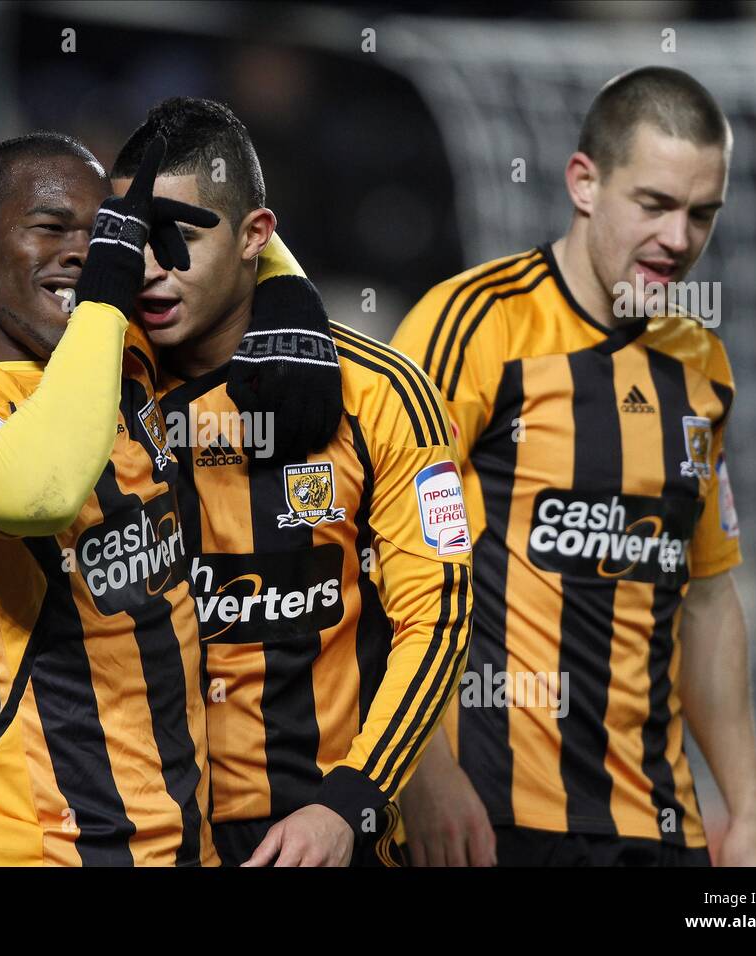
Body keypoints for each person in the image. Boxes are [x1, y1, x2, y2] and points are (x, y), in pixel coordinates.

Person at [391, 66, 756, 866]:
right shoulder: (470, 326)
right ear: (585, 183)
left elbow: (704, 594)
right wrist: (419, 775)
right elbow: (373, 555)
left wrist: (746, 810)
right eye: (656, 205)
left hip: (659, 825)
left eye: (702, 214)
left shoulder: (702, 365)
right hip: (490, 822)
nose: (679, 239)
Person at [112, 98, 471, 867]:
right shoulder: (99, 397)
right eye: (134, 234)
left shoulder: (382, 392)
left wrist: (353, 802)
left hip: (332, 830)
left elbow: (436, 618)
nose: (149, 264)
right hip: (154, 837)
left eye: (183, 234)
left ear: (255, 237)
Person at [0, 132, 223, 865]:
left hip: (184, 844)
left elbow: (253, 285)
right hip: (33, 846)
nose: (82, 253)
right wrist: (103, 301)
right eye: (51, 228)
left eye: (102, 235)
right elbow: (38, 494)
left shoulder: (125, 360)